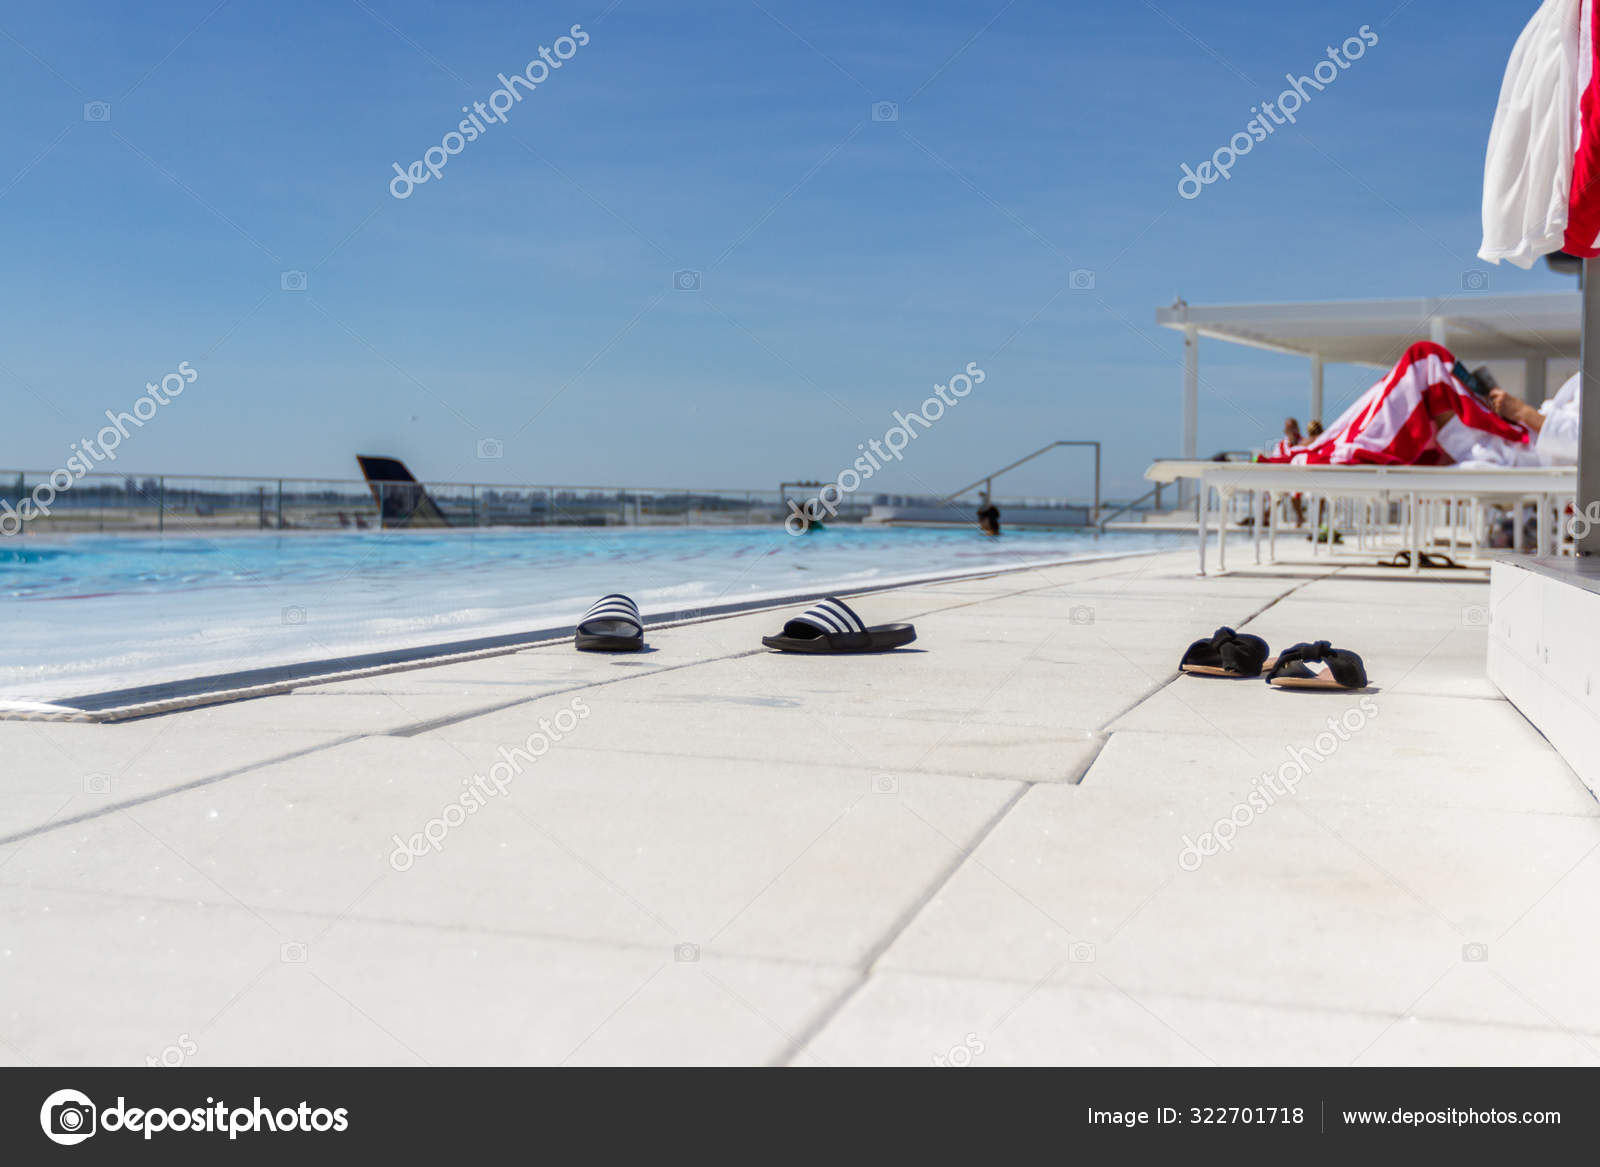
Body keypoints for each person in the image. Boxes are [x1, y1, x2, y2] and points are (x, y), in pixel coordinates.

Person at [1263, 341, 1560, 467]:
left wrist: (1522, 411)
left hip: (1513, 445)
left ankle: (1337, 441)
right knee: (1424, 361)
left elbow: (1580, 441)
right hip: (1515, 436)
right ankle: (1335, 441)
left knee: (1424, 358)